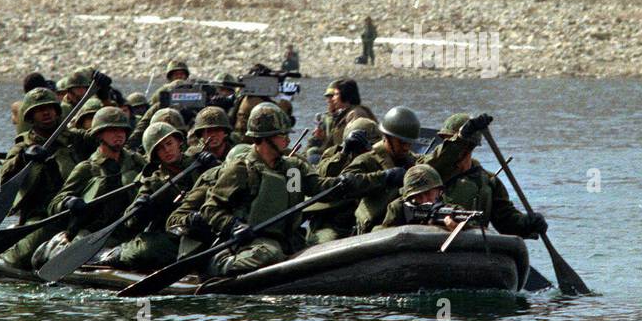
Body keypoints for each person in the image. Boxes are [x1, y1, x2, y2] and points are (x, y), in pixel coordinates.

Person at [196, 103, 400, 277]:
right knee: (270, 254)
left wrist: (381, 178)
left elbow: (323, 187)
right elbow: (210, 209)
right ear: (265, 138)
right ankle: (220, 265)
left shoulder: (293, 167)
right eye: (281, 135)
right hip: (255, 241)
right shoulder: (240, 170)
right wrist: (232, 226)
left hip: (291, 239)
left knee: (323, 256)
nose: (286, 140)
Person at [31, 107, 145, 270]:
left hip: (126, 230)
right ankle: (56, 247)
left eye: (122, 130)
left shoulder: (137, 162)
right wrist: (68, 202)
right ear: (99, 134)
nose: (119, 135)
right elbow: (54, 204)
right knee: (74, 254)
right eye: (112, 130)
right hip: (92, 233)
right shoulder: (87, 168)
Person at [344, 107, 484, 233]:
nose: (406, 147)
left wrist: (459, 140)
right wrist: (384, 178)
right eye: (401, 142)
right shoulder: (367, 160)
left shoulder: (412, 161)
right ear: (387, 137)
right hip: (375, 228)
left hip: (412, 223)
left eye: (409, 143)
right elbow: (345, 185)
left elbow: (434, 162)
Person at [95, 122, 199, 270]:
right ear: (154, 155)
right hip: (174, 236)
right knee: (145, 250)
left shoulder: (199, 163)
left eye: (169, 144)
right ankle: (117, 253)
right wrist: (141, 209)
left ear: (179, 142)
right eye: (160, 149)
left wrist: (214, 166)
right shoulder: (154, 182)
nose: (167, 150)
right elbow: (130, 221)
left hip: (204, 226)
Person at [0, 88, 81, 269]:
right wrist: (24, 158)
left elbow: (101, 137)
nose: (46, 112)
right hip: (41, 216)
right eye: (39, 109)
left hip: (75, 209)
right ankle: (7, 248)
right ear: (30, 117)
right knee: (21, 259)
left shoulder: (74, 139)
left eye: (50, 108)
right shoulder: (23, 147)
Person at [426, 114, 547, 237]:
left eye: (451, 143)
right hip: (432, 241)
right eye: (446, 143)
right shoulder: (428, 173)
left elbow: (506, 221)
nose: (446, 148)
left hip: (474, 245)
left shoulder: (487, 181)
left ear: (468, 146)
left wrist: (527, 223)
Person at [305, 118, 381, 243]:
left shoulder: (377, 157)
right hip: (334, 221)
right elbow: (321, 175)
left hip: (367, 217)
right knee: (324, 241)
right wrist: (344, 153)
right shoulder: (334, 153)